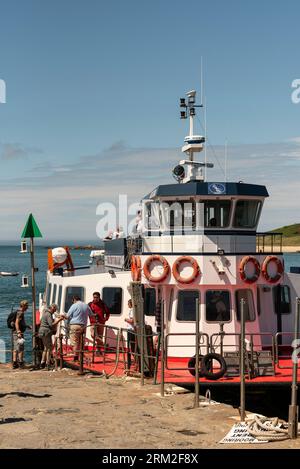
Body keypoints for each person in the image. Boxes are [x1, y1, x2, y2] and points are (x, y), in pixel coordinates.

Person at [63, 296, 92, 361]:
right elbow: (91, 314)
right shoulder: (86, 305)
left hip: (74, 325)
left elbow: (67, 316)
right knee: (81, 342)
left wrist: (62, 316)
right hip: (84, 326)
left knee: (75, 342)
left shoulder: (74, 305)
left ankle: (76, 358)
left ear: (74, 300)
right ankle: (81, 357)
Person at [38, 304, 64, 370]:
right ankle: (47, 364)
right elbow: (51, 324)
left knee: (46, 348)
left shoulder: (45, 313)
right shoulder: (49, 314)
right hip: (46, 332)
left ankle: (42, 363)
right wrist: (59, 320)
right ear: (52, 308)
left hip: (42, 331)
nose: (54, 311)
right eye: (55, 310)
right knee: (49, 348)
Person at [12, 300, 31, 369]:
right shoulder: (20, 313)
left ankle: (14, 363)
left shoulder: (18, 311)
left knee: (16, 348)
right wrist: (19, 332)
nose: (27, 307)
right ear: (23, 306)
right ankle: (20, 363)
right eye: (26, 306)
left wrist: (26, 326)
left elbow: (20, 323)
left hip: (15, 332)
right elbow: (17, 322)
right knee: (20, 348)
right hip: (18, 333)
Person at [124, 299, 136, 370]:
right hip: (131, 330)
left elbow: (132, 320)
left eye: (128, 303)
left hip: (131, 330)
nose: (127, 305)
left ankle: (132, 362)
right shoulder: (133, 310)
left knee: (131, 347)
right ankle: (134, 361)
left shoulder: (132, 311)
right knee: (132, 347)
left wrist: (125, 319)